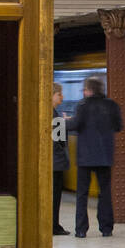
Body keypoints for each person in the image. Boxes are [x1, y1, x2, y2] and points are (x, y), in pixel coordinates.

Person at [69, 76, 122, 238]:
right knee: (105, 192)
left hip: (85, 157)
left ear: (89, 90)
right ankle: (106, 228)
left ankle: (81, 230)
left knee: (82, 194)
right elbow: (119, 126)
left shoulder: (83, 105)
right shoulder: (112, 105)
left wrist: (65, 121)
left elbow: (74, 125)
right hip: (105, 156)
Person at [52, 84, 70, 235]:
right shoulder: (55, 116)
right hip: (56, 164)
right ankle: (54, 226)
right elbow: (62, 141)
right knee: (55, 197)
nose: (61, 97)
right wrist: (64, 123)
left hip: (50, 163)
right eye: (59, 94)